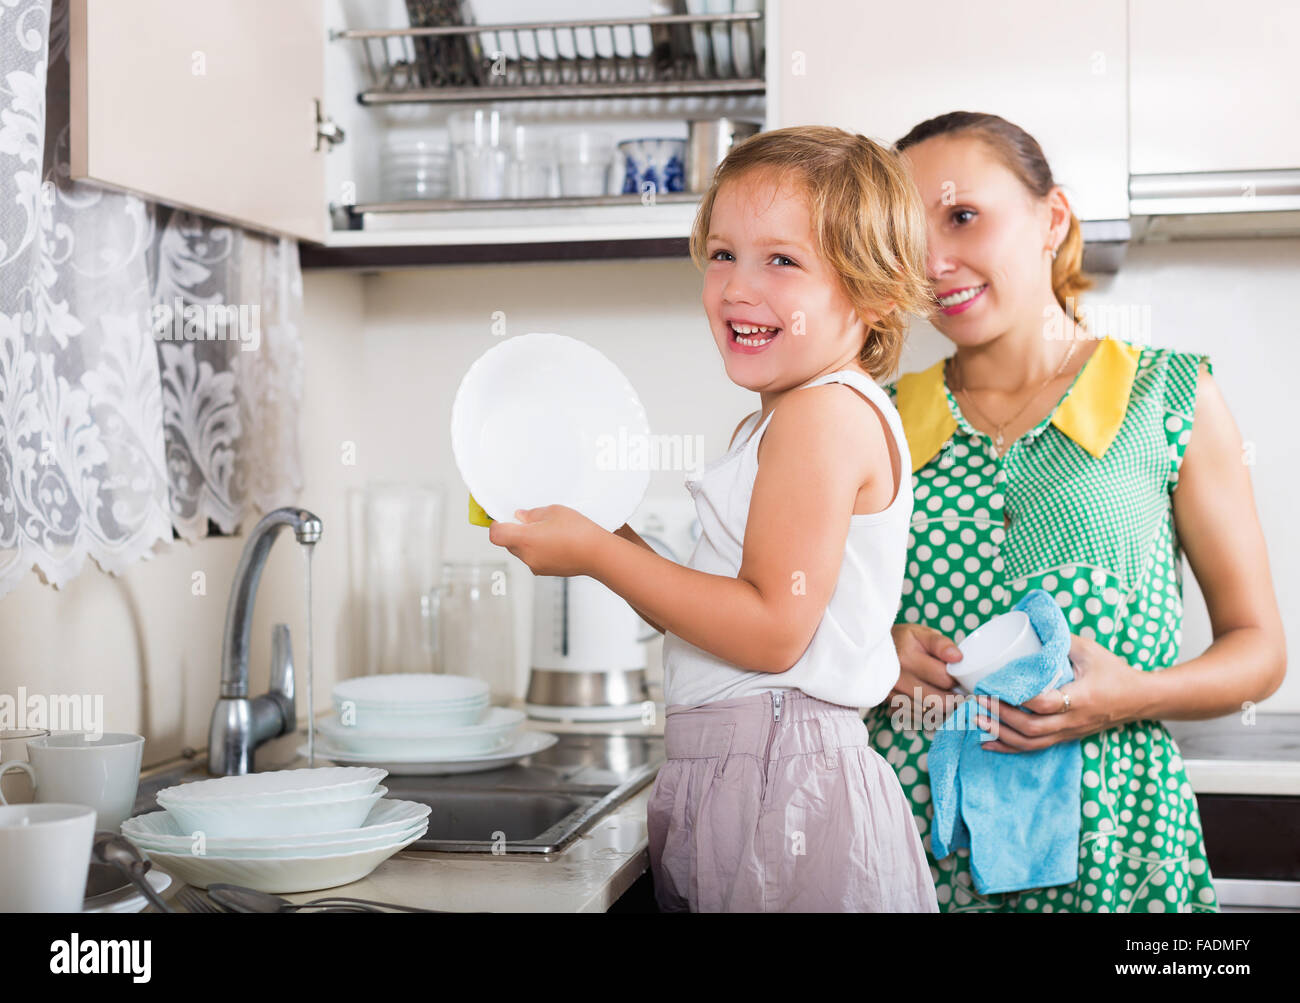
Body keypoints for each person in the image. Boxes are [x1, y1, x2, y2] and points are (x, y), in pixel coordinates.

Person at [489, 125, 940, 912]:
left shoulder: (818, 418)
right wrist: (608, 531)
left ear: (875, 294)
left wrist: (597, 552)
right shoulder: (789, 419)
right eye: (724, 254)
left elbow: (770, 630)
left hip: (781, 779)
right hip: (762, 770)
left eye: (782, 261)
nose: (737, 287)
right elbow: (720, 612)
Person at [863, 111, 1287, 913]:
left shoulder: (1169, 394)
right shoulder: (871, 420)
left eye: (961, 217)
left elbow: (1259, 649)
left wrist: (1133, 692)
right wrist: (874, 654)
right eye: (905, 237)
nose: (933, 261)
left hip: (1116, 846)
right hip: (915, 843)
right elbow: (795, 629)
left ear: (1051, 219)